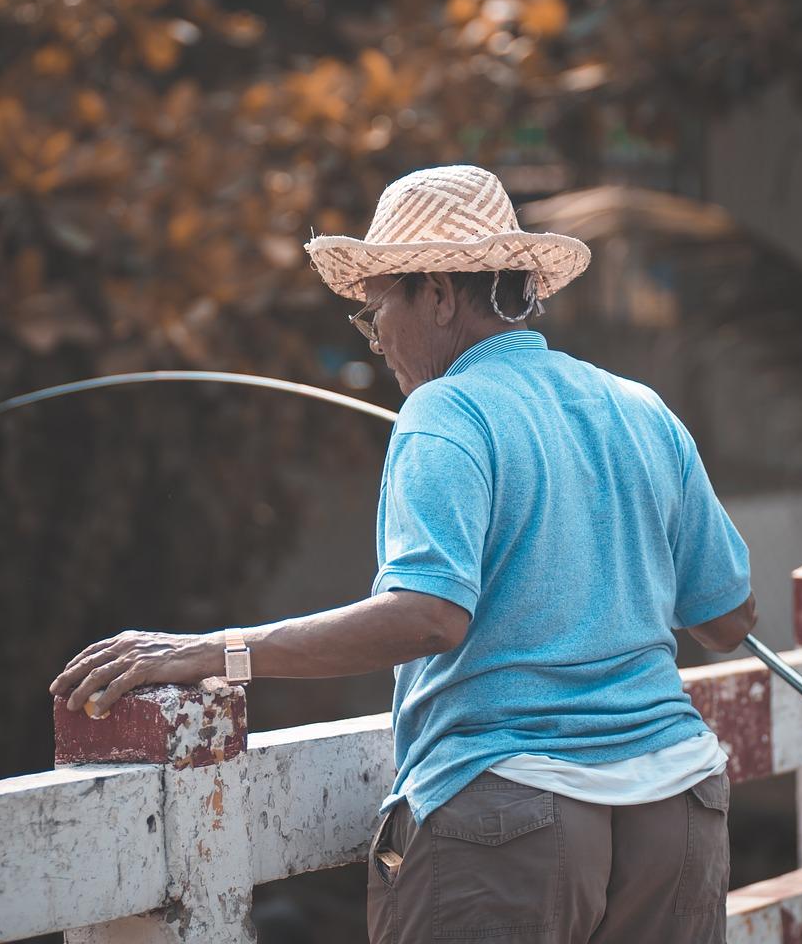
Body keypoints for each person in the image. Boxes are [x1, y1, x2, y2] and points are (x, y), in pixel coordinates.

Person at [51, 164, 756, 944]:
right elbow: (727, 620)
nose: (377, 336)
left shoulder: (442, 411)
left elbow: (426, 618)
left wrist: (217, 654)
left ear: (440, 295)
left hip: (513, 814)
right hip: (676, 813)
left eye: (376, 308)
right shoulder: (639, 407)